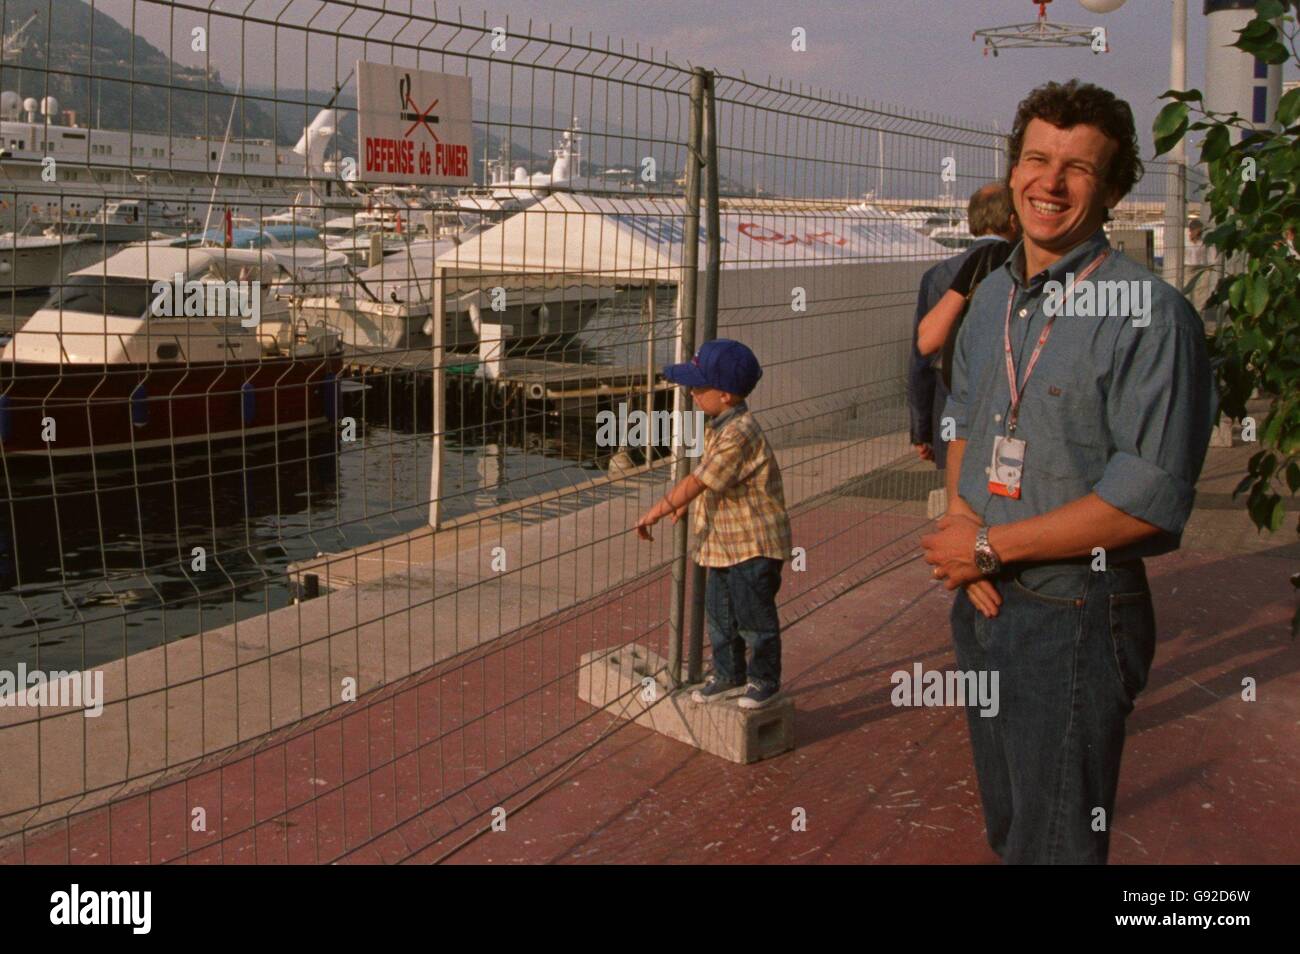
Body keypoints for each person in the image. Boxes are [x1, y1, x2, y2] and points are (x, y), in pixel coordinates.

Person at [920, 79, 1216, 864]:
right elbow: (965, 426)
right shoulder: (991, 301)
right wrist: (959, 521)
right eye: (1036, 158)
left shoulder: (1150, 316)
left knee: (1053, 847)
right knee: (1012, 828)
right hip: (983, 600)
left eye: (1078, 169)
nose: (1049, 183)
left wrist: (991, 548)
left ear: (1114, 189)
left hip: (1073, 614)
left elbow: (1145, 503)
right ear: (1013, 168)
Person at [635, 339, 792, 710]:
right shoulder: (720, 425)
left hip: (752, 546)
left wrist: (660, 508)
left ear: (725, 394)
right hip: (722, 545)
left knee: (754, 618)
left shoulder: (740, 433)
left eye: (698, 387)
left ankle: (764, 679)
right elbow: (714, 480)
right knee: (720, 616)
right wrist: (688, 506)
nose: (691, 393)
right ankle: (728, 674)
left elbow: (701, 479)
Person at [907, 184, 1019, 470]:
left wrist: (922, 431)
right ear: (1013, 219)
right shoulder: (1022, 267)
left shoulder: (937, 276)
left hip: (950, 412)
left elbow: (921, 361)